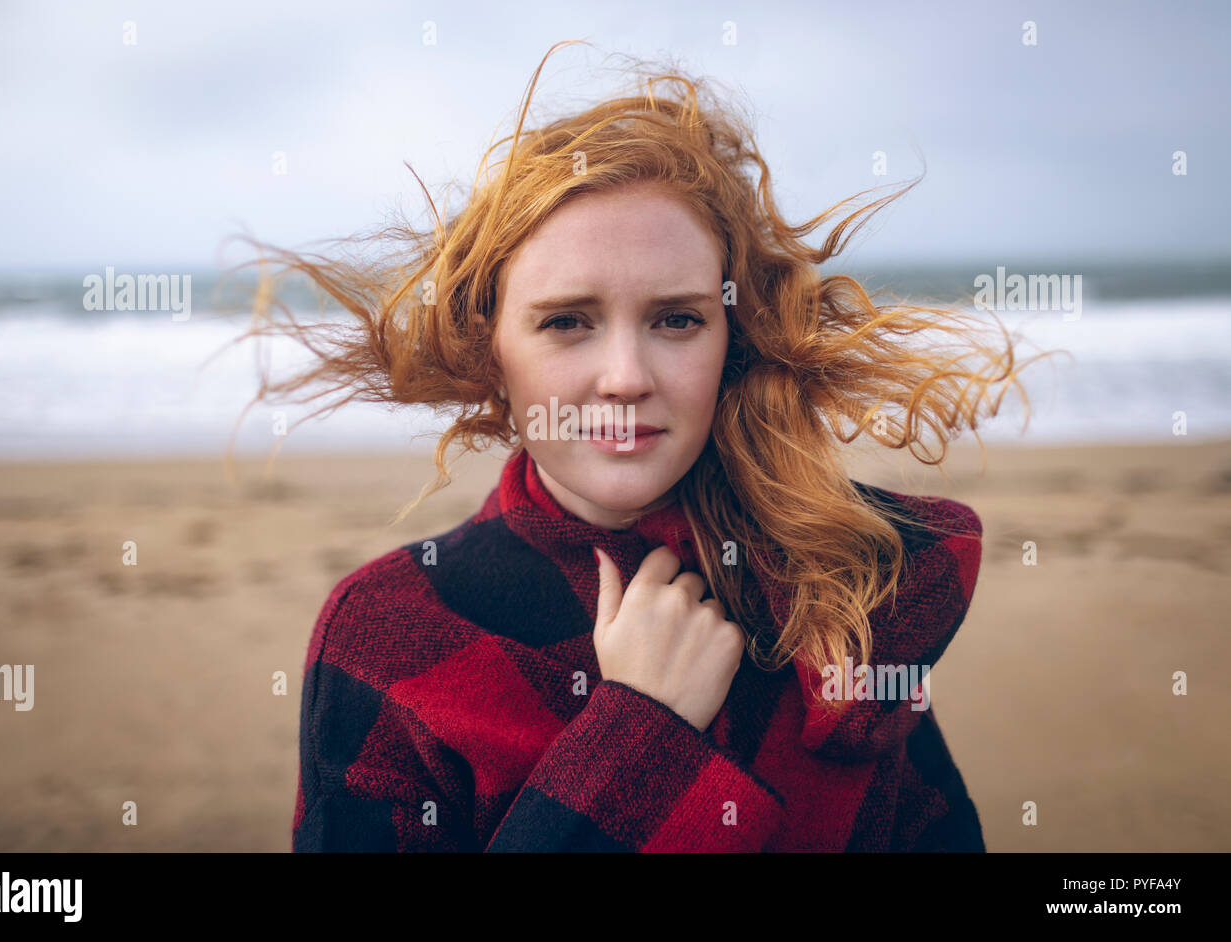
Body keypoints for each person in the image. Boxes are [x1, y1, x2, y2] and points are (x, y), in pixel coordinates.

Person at [233, 42, 1046, 852]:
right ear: (491, 350)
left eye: (677, 319)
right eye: (565, 321)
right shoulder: (391, 632)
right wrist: (639, 738)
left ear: (735, 340)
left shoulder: (840, 595)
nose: (624, 377)